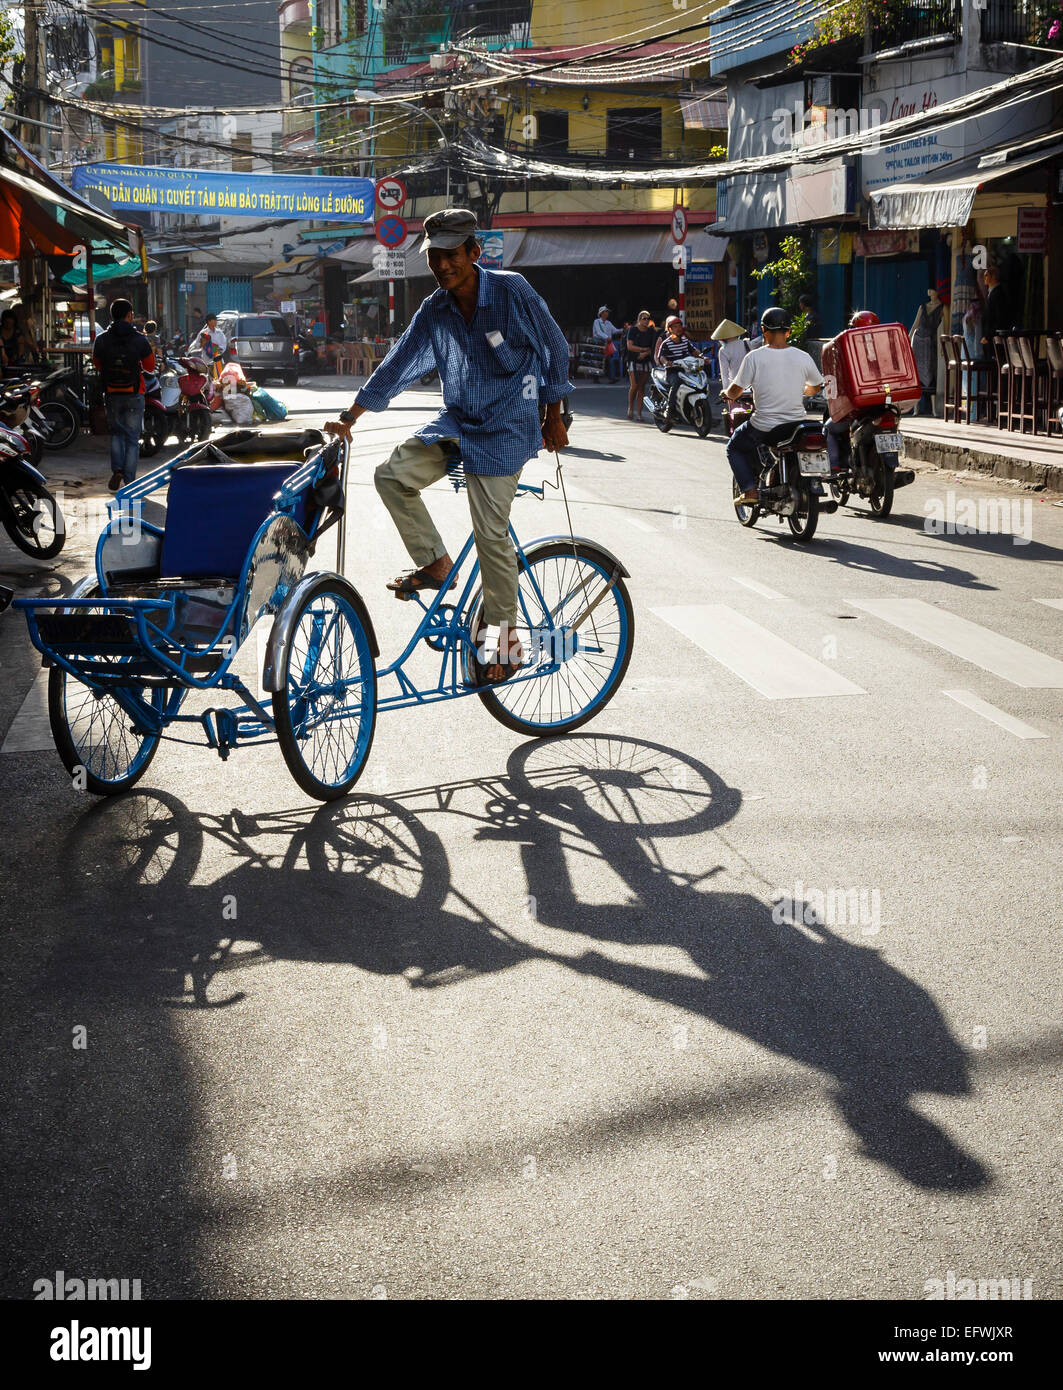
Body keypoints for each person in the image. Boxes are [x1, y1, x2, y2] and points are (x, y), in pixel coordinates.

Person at [324, 207, 571, 686]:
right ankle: (436, 563)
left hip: (508, 425)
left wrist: (554, 413)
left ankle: (504, 641)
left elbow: (555, 347)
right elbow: (398, 363)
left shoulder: (512, 291)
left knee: (489, 535)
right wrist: (352, 415)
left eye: (451, 255)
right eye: (435, 256)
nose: (442, 266)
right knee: (391, 475)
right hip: (460, 421)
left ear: (474, 253)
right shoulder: (435, 308)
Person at [723, 307, 823, 507]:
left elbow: (735, 392)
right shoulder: (802, 356)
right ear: (788, 331)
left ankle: (750, 491)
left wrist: (726, 393)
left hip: (765, 426)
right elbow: (815, 387)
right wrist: (800, 390)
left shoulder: (754, 357)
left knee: (734, 448)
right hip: (797, 424)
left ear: (763, 330)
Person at [91, 298, 156, 492]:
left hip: (111, 392)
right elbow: (150, 366)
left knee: (117, 434)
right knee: (132, 438)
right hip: (134, 392)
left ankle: (117, 469)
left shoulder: (102, 338)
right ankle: (130, 481)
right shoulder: (139, 339)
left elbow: (97, 363)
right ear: (129, 315)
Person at [654, 314, 697, 421]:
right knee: (677, 382)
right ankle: (669, 410)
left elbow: (694, 351)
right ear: (670, 330)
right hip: (672, 372)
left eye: (679, 326)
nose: (678, 329)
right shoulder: (666, 343)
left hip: (686, 370)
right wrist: (667, 362)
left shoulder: (685, 341)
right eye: (675, 327)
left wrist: (702, 357)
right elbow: (661, 356)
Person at [625, 309, 656, 421]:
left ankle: (639, 413)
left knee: (641, 387)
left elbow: (653, 347)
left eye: (648, 319)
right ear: (639, 319)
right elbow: (630, 346)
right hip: (633, 360)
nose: (646, 321)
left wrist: (646, 353)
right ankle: (630, 408)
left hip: (646, 361)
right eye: (644, 318)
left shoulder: (651, 331)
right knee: (634, 385)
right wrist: (642, 350)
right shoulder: (633, 330)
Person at [980, 262, 1014, 357]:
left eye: (986, 275)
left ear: (994, 276)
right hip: (989, 339)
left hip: (995, 339)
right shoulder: (991, 293)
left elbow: (999, 319)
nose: (984, 278)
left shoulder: (998, 294)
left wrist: (989, 336)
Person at [593, 304, 622, 382]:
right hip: (599, 343)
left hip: (607, 343)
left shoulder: (608, 323)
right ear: (602, 313)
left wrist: (623, 329)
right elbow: (598, 332)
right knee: (598, 360)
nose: (607, 313)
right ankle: (596, 378)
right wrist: (607, 337)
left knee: (609, 360)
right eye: (606, 311)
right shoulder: (596, 322)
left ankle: (611, 377)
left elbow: (615, 330)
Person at [193, 312, 227, 377]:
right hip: (207, 362)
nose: (216, 322)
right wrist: (202, 344)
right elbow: (196, 345)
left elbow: (223, 345)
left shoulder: (219, 333)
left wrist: (216, 349)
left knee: (219, 381)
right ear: (209, 322)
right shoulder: (203, 333)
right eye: (214, 320)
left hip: (218, 361)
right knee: (209, 381)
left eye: (216, 320)